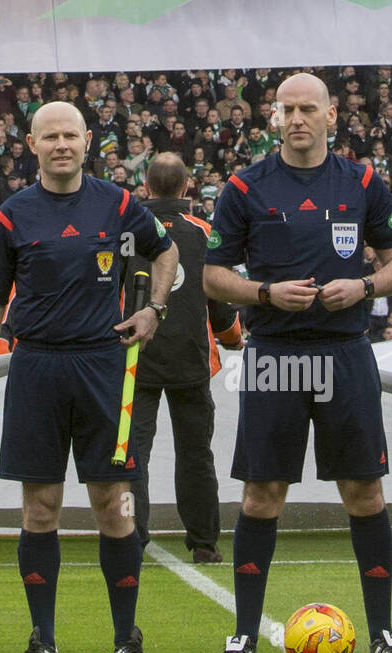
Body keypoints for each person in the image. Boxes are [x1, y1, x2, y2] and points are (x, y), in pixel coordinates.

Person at [202, 72, 392, 653]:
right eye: (286, 109)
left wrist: (365, 286)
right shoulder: (246, 186)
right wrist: (265, 293)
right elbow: (213, 274)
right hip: (274, 356)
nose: (297, 119)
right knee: (262, 494)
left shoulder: (362, 180)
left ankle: (385, 634)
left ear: (330, 117)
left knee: (364, 491)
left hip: (346, 353)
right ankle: (243, 637)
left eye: (307, 109)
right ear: (274, 119)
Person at [0, 102, 178, 653]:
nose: (61, 144)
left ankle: (127, 640)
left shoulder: (117, 203)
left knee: (114, 505)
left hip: (102, 368)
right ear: (30, 144)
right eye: (49, 136)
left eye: (70, 135)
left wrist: (155, 308)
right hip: (35, 368)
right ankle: (42, 641)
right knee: (40, 508)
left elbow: (166, 250)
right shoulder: (13, 214)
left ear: (87, 140)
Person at [123, 152, 241, 561]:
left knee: (133, 453)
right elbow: (221, 298)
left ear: (147, 189)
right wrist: (231, 338)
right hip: (191, 360)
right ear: (187, 188)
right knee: (196, 454)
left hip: (135, 361)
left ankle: (132, 540)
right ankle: (205, 543)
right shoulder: (204, 233)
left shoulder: (125, 231)